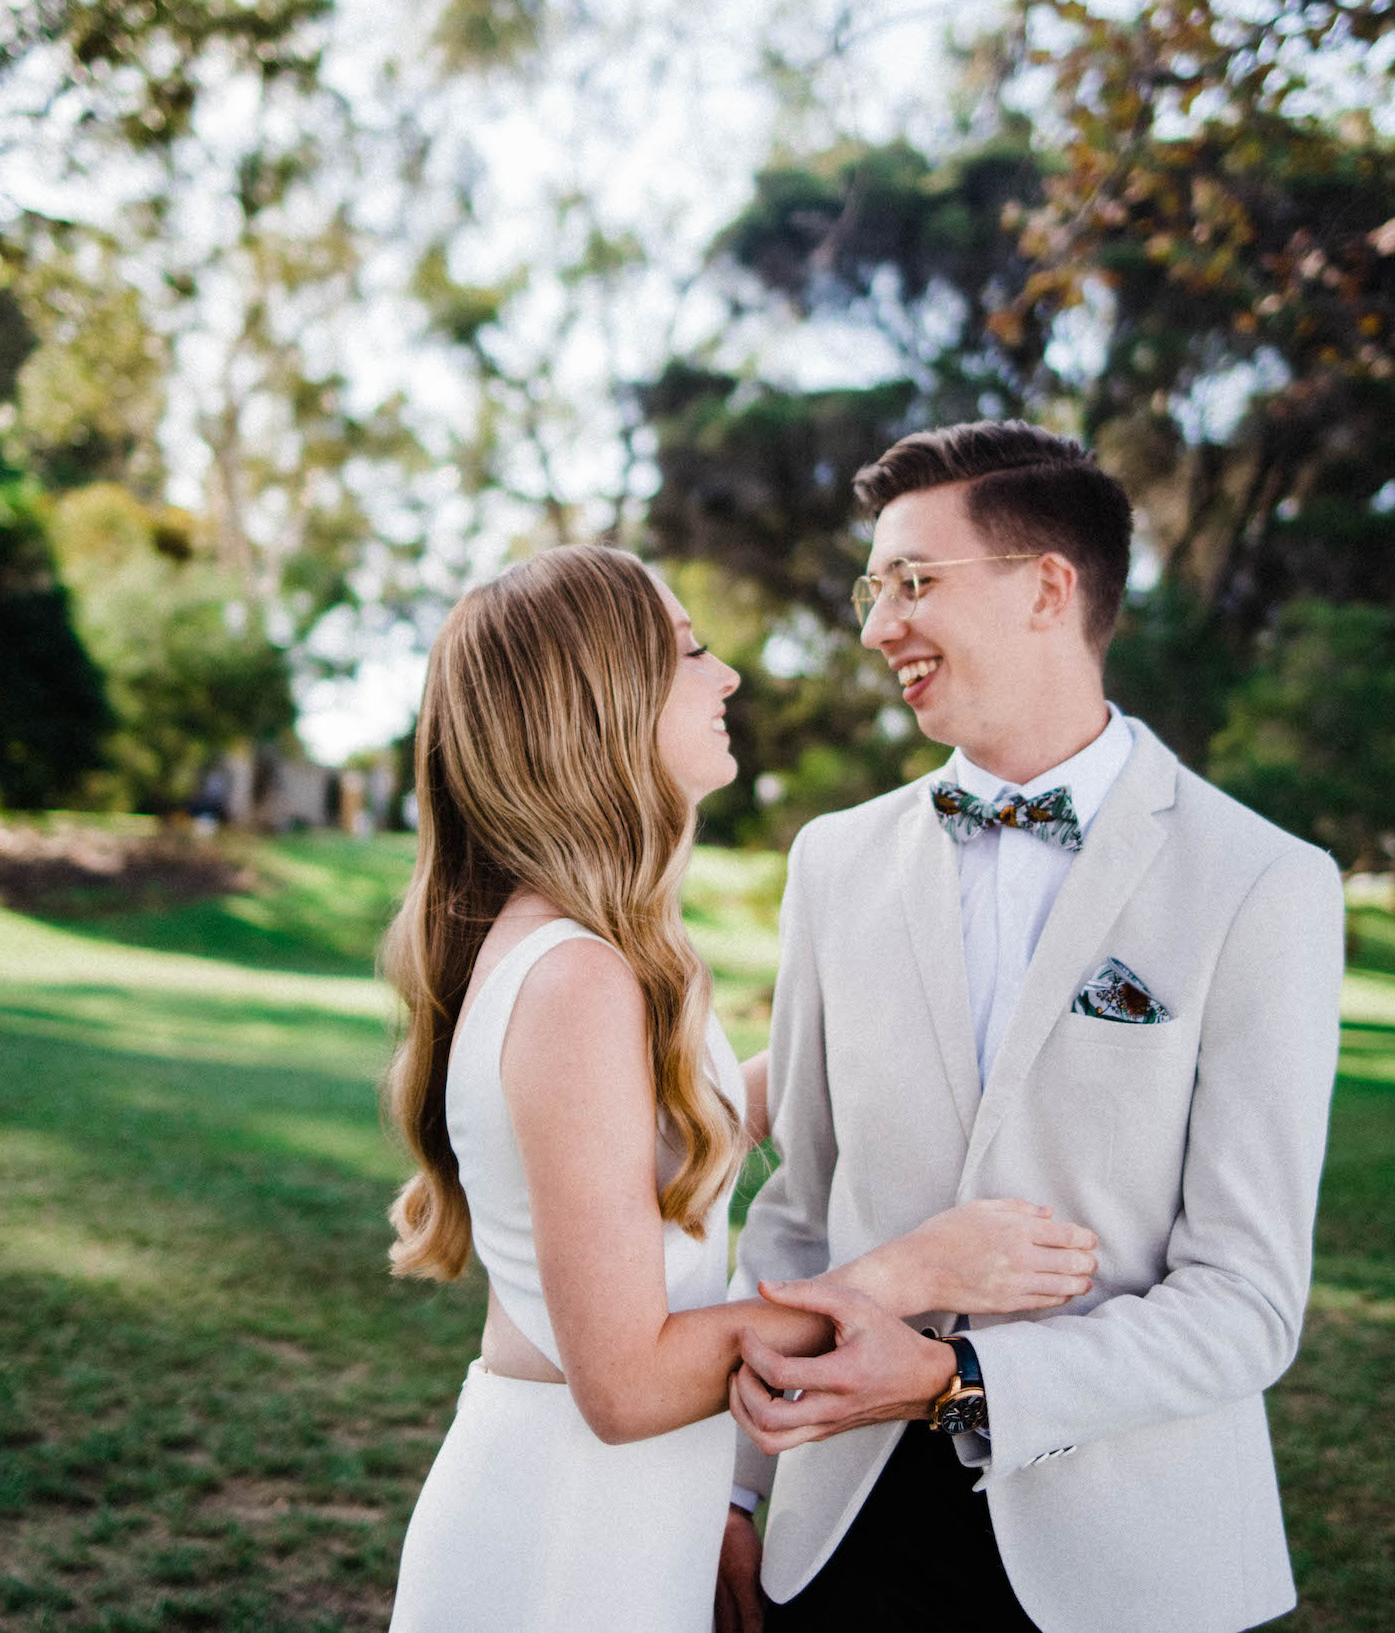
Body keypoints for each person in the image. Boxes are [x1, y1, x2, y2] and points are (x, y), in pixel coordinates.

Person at [382, 544, 1103, 1632]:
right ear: (599, 704)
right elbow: (625, 1386)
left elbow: (674, 1131)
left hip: (620, 1507)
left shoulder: (581, 951)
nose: (727, 678)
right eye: (688, 651)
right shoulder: (577, 977)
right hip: (569, 1530)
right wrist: (915, 1270)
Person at [715, 424, 1346, 1633]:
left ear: (1048, 587)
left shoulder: (1263, 882)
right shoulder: (833, 863)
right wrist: (738, 1496)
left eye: (911, 582)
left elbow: (1248, 1299)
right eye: (872, 588)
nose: (875, 626)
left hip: (1125, 1559)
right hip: (835, 1538)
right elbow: (796, 1209)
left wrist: (962, 1381)